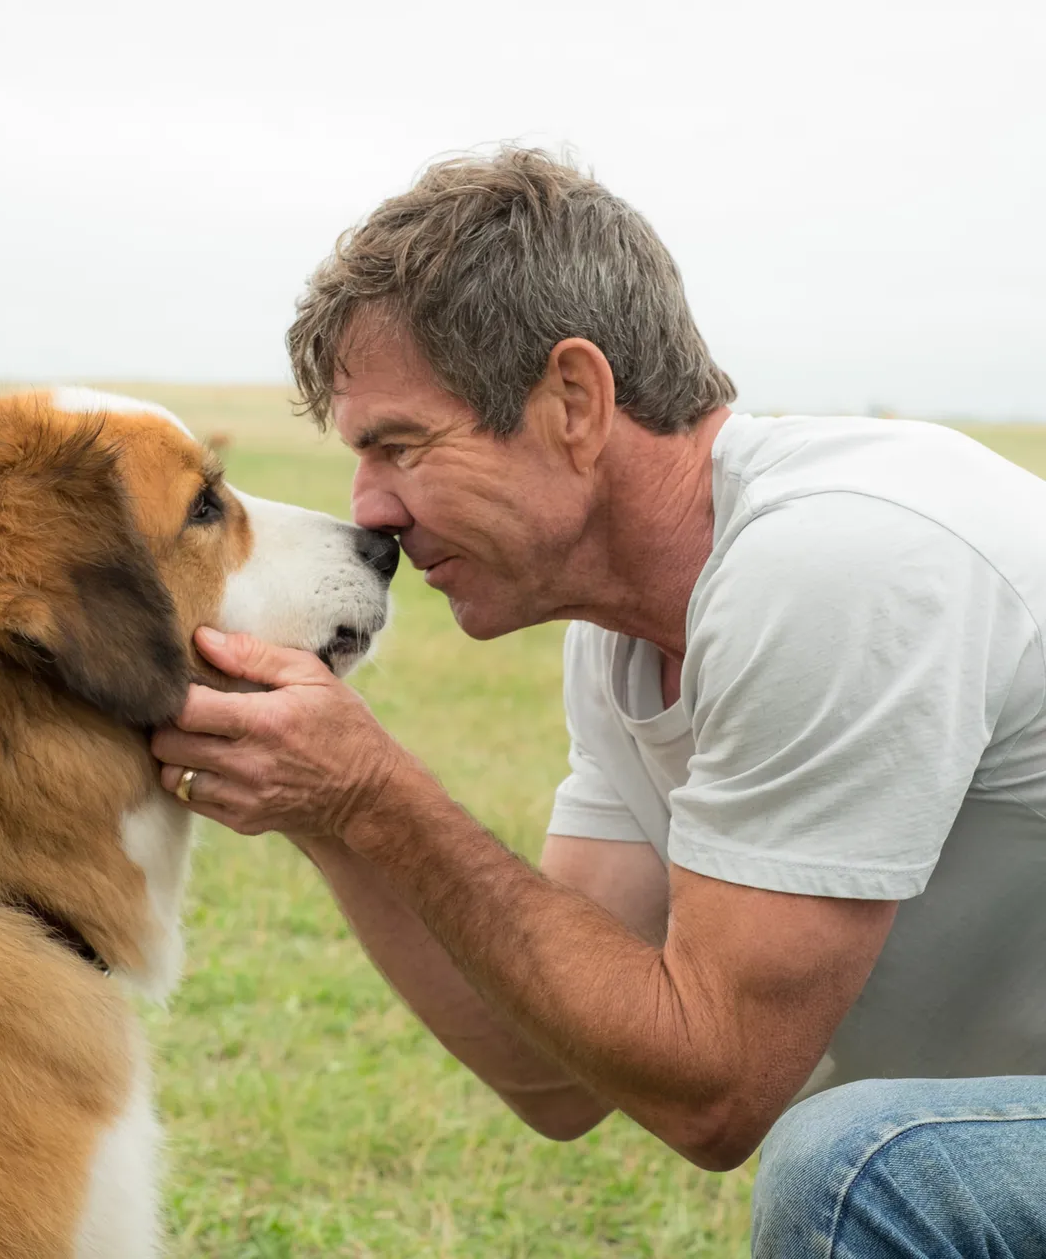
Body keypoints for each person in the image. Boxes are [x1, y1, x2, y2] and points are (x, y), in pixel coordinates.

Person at [150, 149, 1046, 1257]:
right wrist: (323, 813)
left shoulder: (835, 559)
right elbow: (560, 1072)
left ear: (571, 400)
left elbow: (714, 1089)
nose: (370, 509)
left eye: (399, 446)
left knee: (866, 1168)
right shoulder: (623, 639)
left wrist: (376, 795)